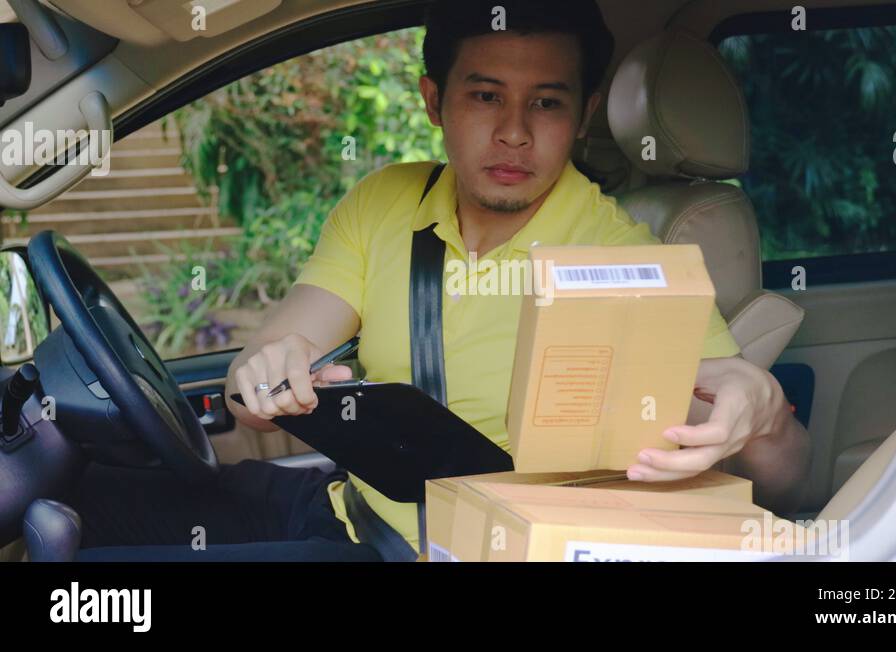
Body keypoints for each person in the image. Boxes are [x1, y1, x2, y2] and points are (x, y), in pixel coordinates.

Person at [70, 0, 811, 562]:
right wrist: (263, 376)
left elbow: (783, 477)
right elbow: (269, 353)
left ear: (583, 113)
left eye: (546, 103)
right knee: (82, 508)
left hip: (444, 550)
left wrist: (766, 414)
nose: (515, 132)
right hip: (346, 501)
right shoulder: (385, 202)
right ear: (435, 101)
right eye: (486, 95)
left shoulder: (629, 260)